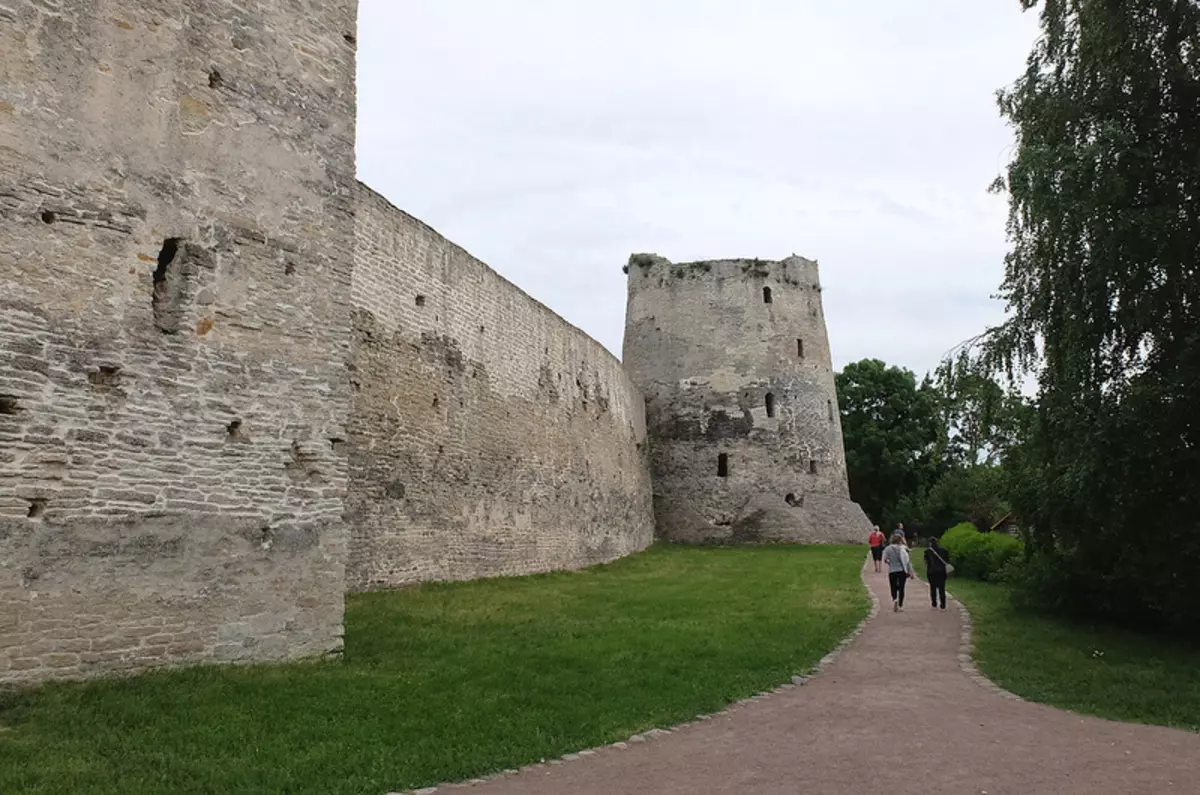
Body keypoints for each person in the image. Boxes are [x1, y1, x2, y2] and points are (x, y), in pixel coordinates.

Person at [882, 533, 913, 612]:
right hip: (902, 571)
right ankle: (900, 605)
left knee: (893, 586)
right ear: (900, 540)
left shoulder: (888, 548)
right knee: (901, 588)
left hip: (892, 570)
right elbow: (907, 561)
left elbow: (885, 559)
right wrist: (910, 572)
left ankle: (895, 598)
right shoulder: (903, 549)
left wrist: (890, 562)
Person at [924, 537, 951, 610]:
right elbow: (947, 560)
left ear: (930, 543)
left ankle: (934, 603)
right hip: (941, 571)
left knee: (932, 588)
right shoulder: (944, 550)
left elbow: (927, 562)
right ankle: (943, 604)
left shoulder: (927, 551)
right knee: (942, 588)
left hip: (931, 571)